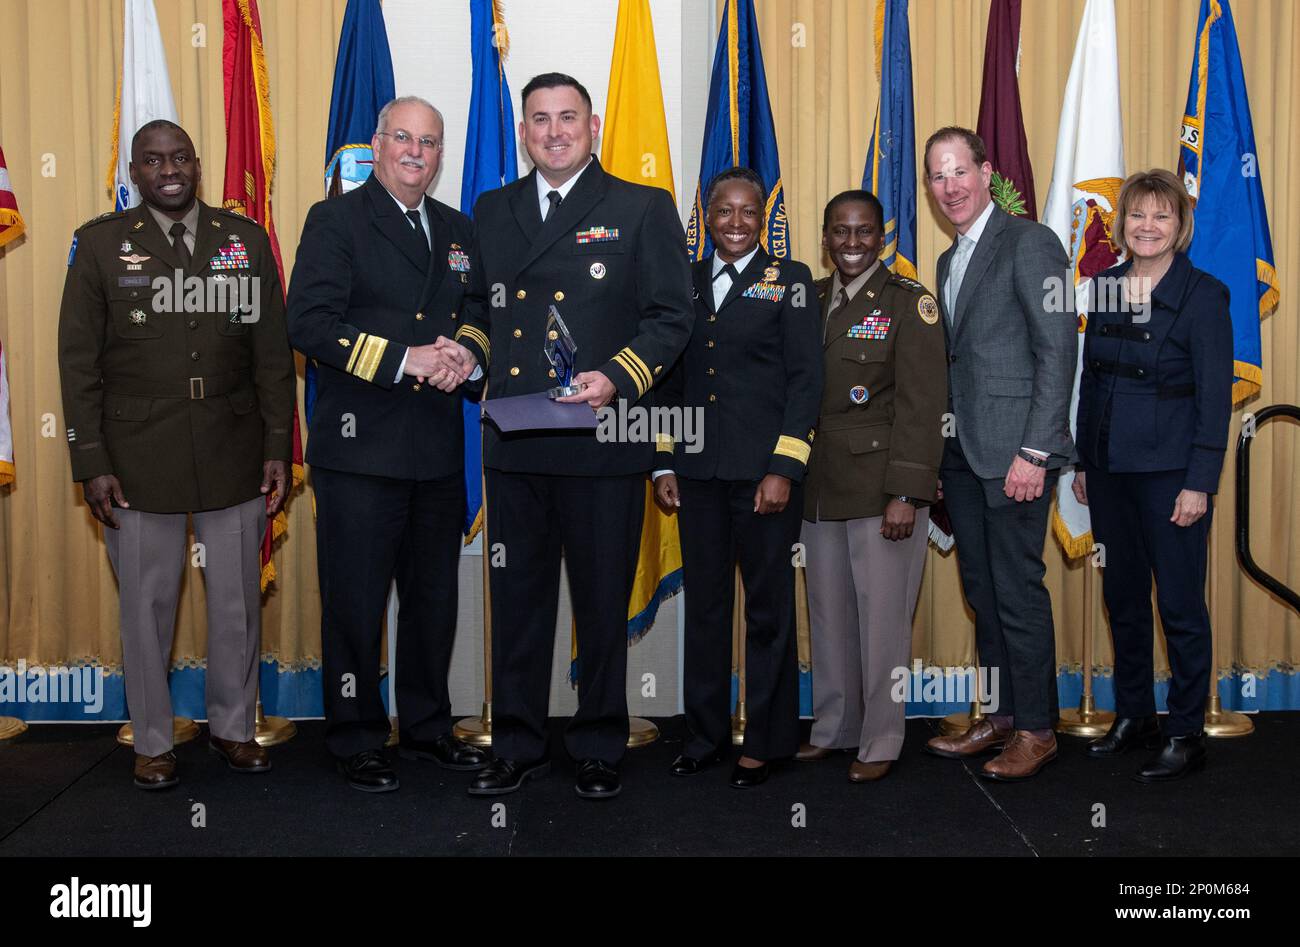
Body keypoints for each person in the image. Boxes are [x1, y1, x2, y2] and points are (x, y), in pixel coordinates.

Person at [452, 73, 693, 800]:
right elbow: (474, 307)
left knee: (599, 601)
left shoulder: (641, 207)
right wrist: (469, 353)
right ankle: (519, 743)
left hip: (603, 435)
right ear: (524, 131)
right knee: (518, 601)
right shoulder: (491, 210)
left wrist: (617, 377)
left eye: (567, 118)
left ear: (592, 126)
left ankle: (597, 744)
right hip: (517, 438)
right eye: (539, 120)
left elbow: (672, 316)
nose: (553, 131)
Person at [58, 119, 295, 789]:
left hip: (234, 446)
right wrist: (91, 460)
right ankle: (154, 740)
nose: (169, 169)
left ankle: (231, 727)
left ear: (198, 162)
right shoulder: (101, 245)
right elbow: (78, 365)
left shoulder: (243, 241)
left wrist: (278, 444)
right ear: (134, 171)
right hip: (136, 455)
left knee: (235, 604)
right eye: (153, 159)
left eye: (180, 157)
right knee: (147, 603)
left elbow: (272, 355)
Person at [286, 96, 489, 793]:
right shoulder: (336, 220)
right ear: (376, 144)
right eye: (402, 137)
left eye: (429, 142)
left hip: (435, 450)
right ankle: (356, 734)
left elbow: (480, 312)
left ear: (440, 153)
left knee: (434, 602)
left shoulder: (460, 230)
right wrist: (405, 359)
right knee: (357, 605)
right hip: (360, 453)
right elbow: (308, 323)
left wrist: (465, 353)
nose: (415, 152)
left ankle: (428, 726)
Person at [653, 168, 822, 788]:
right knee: (706, 609)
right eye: (723, 211)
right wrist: (665, 458)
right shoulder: (683, 281)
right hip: (695, 474)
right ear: (707, 216)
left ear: (763, 218)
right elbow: (666, 377)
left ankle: (769, 740)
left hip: (763, 479)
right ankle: (704, 735)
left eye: (748, 212)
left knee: (769, 608)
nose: (734, 223)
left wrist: (783, 468)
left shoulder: (792, 282)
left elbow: (807, 382)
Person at [920, 127, 1076, 781]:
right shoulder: (947, 261)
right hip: (962, 454)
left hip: (1017, 453)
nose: (950, 186)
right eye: (937, 176)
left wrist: (1035, 451)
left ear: (986, 173)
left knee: (1017, 590)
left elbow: (1058, 348)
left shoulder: (1030, 241)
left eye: (961, 171)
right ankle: (1005, 714)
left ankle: (1038, 728)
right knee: (983, 591)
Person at [1073, 169, 1233, 782]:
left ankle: (1186, 730)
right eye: (1138, 215)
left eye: (1161, 216)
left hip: (1172, 475)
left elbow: (1215, 398)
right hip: (1111, 470)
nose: (1147, 226)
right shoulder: (1106, 285)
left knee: (1181, 603)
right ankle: (1135, 714)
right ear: (1123, 224)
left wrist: (1201, 481)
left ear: (1180, 226)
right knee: (1123, 599)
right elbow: (1093, 380)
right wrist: (1086, 460)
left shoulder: (1204, 294)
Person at [795, 190, 948, 782]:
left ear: (881, 236)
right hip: (818, 483)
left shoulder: (911, 304)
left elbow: (923, 405)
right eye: (840, 232)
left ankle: (881, 738)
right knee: (829, 614)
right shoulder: (807, 299)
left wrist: (908, 494)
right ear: (826, 238)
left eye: (863, 232)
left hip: (885, 487)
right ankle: (835, 727)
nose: (852, 243)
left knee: (882, 621)